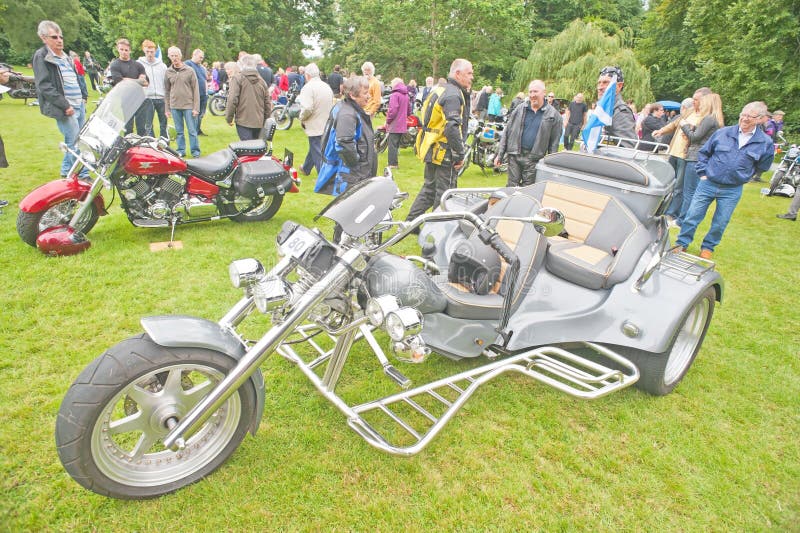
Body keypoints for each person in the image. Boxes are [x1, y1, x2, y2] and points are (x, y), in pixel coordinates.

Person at [675, 102, 773, 259]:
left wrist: (744, 175)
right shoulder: (723, 133)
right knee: (693, 215)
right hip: (708, 183)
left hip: (732, 189)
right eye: (743, 114)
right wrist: (702, 172)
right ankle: (681, 243)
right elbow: (704, 153)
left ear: (760, 119)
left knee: (721, 222)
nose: (745, 119)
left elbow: (763, 165)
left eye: (750, 116)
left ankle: (708, 248)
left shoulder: (765, 142)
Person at [406, 58, 473, 222]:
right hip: (444, 152)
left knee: (429, 189)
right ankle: (436, 232)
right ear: (458, 74)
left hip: (432, 147)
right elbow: (452, 127)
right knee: (445, 194)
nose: (472, 77)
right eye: (469, 73)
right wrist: (459, 154)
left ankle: (410, 223)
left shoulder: (440, 89)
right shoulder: (453, 95)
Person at [32, 20, 89, 179]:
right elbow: (44, 86)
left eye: (61, 37)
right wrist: (64, 105)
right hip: (65, 108)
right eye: (54, 37)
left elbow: (76, 78)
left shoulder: (66, 57)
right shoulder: (42, 56)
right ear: (44, 38)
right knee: (75, 143)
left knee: (79, 140)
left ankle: (65, 172)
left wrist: (83, 97)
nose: (59, 40)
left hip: (79, 105)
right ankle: (83, 175)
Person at [315, 75, 376, 197]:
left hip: (354, 173)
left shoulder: (349, 108)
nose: (369, 96)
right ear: (353, 95)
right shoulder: (347, 114)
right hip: (351, 175)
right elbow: (344, 143)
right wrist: (356, 164)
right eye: (365, 93)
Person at [494, 79, 562, 187]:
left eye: (535, 92)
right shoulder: (520, 109)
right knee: (511, 188)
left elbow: (554, 144)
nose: (532, 95)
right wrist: (500, 154)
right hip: (515, 155)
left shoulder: (554, 115)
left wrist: (551, 166)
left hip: (534, 159)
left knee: (528, 190)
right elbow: (507, 131)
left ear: (544, 93)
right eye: (530, 92)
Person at [676, 93, 724, 226]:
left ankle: (682, 221)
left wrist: (684, 126)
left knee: (689, 192)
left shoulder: (709, 119)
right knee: (694, 192)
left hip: (695, 157)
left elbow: (695, 137)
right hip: (703, 158)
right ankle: (687, 220)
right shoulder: (717, 120)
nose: (699, 104)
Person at [297, 62, 334, 175]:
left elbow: (307, 108)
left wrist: (301, 117)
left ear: (307, 75)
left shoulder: (307, 88)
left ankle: (323, 175)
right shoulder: (326, 86)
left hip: (315, 123)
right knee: (315, 146)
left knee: (317, 149)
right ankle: (306, 168)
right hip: (327, 122)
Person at [224, 54, 271, 141]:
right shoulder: (262, 81)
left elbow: (232, 99)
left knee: (247, 149)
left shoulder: (238, 78)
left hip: (243, 120)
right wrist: (266, 120)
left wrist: (229, 118)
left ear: (241, 65)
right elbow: (267, 103)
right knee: (257, 149)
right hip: (259, 121)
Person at [164, 46, 200, 158]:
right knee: (179, 132)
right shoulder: (168, 72)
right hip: (175, 106)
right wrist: (167, 108)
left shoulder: (190, 70)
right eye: (172, 56)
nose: (174, 58)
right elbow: (166, 91)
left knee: (192, 131)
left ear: (180, 56)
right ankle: (181, 151)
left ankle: (195, 152)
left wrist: (196, 108)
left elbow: (196, 90)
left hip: (189, 106)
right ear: (169, 57)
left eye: (176, 55)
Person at [109, 38, 148, 134]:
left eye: (126, 50)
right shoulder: (115, 65)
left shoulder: (138, 65)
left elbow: (145, 82)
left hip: (140, 99)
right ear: (118, 49)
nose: (124, 52)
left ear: (130, 50)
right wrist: (137, 81)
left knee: (142, 128)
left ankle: (141, 147)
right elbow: (119, 81)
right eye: (121, 49)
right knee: (128, 128)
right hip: (126, 99)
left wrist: (127, 80)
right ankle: (129, 149)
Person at [136, 40, 168, 139]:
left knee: (164, 124)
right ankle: (152, 143)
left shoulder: (162, 65)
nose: (150, 54)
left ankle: (164, 143)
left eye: (152, 51)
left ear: (155, 51)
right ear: (144, 51)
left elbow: (166, 82)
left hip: (161, 98)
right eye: (147, 51)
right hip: (147, 98)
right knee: (148, 125)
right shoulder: (138, 64)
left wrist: (166, 98)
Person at [596, 66, 636, 143]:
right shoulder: (604, 108)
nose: (599, 87)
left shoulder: (621, 112)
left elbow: (627, 148)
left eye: (605, 83)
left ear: (619, 86)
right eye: (599, 83)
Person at [385, 77, 412, 169]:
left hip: (395, 123)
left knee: (392, 145)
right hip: (402, 124)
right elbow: (409, 111)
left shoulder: (395, 95)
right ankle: (394, 163)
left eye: (392, 84)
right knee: (396, 145)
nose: (391, 86)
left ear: (396, 84)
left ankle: (392, 164)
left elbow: (393, 110)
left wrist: (388, 120)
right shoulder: (406, 95)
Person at [184, 49, 208, 136]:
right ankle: (193, 131)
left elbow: (204, 79)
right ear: (194, 55)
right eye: (200, 57)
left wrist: (206, 92)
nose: (201, 59)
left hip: (203, 94)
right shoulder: (187, 64)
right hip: (194, 94)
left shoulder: (202, 67)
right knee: (195, 113)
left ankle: (198, 130)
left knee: (201, 113)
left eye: (202, 58)